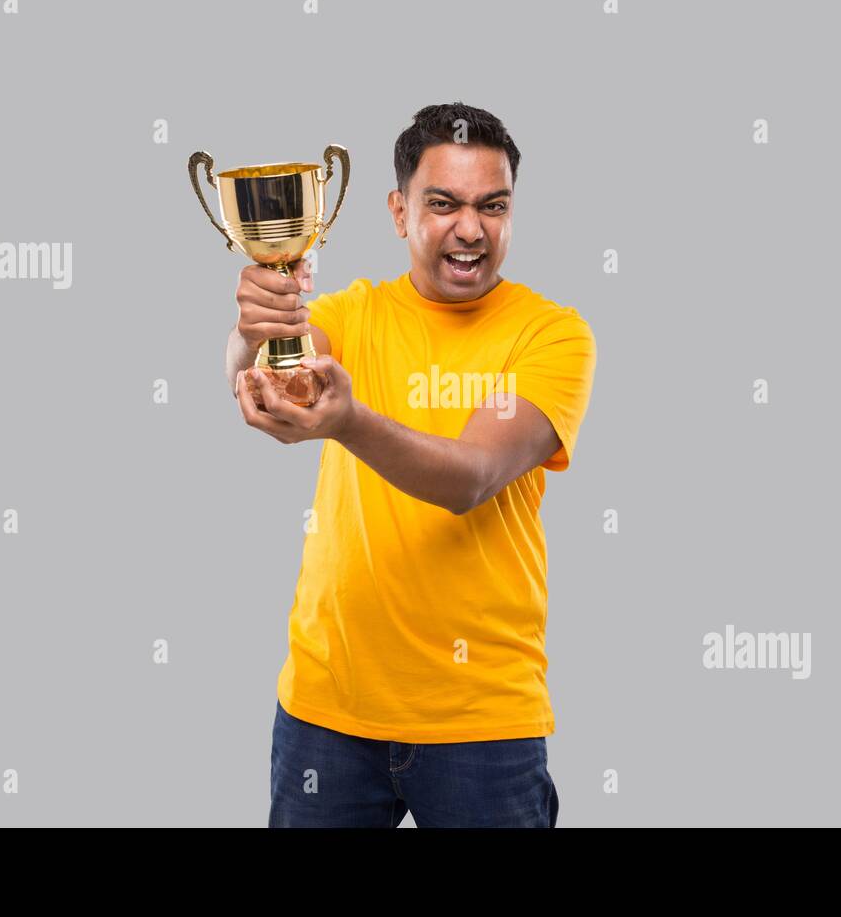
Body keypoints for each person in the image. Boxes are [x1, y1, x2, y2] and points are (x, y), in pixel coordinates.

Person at [225, 103, 596, 827]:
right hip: (327, 711)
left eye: (493, 206)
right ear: (399, 213)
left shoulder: (552, 335)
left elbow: (472, 477)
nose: (471, 229)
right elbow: (266, 382)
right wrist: (252, 331)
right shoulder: (353, 313)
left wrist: (349, 422)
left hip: (483, 722)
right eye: (444, 204)